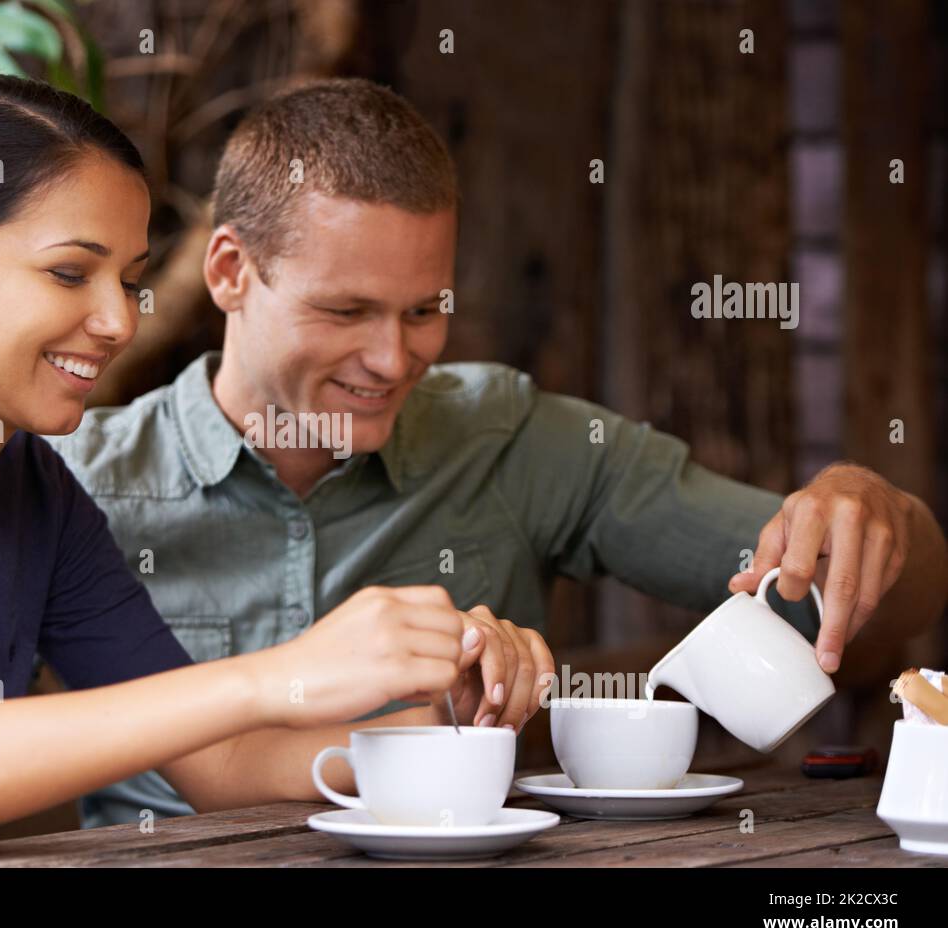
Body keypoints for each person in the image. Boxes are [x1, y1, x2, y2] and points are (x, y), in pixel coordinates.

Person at [0, 74, 546, 867]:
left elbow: (224, 767)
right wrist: (276, 674)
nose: (118, 320)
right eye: (71, 273)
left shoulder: (33, 495)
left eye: (129, 277)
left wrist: (446, 720)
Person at [47, 78, 948, 827]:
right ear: (229, 272)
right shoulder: (81, 483)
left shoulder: (516, 441)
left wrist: (866, 508)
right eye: (347, 311)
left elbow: (863, 603)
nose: (393, 360)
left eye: (424, 309)